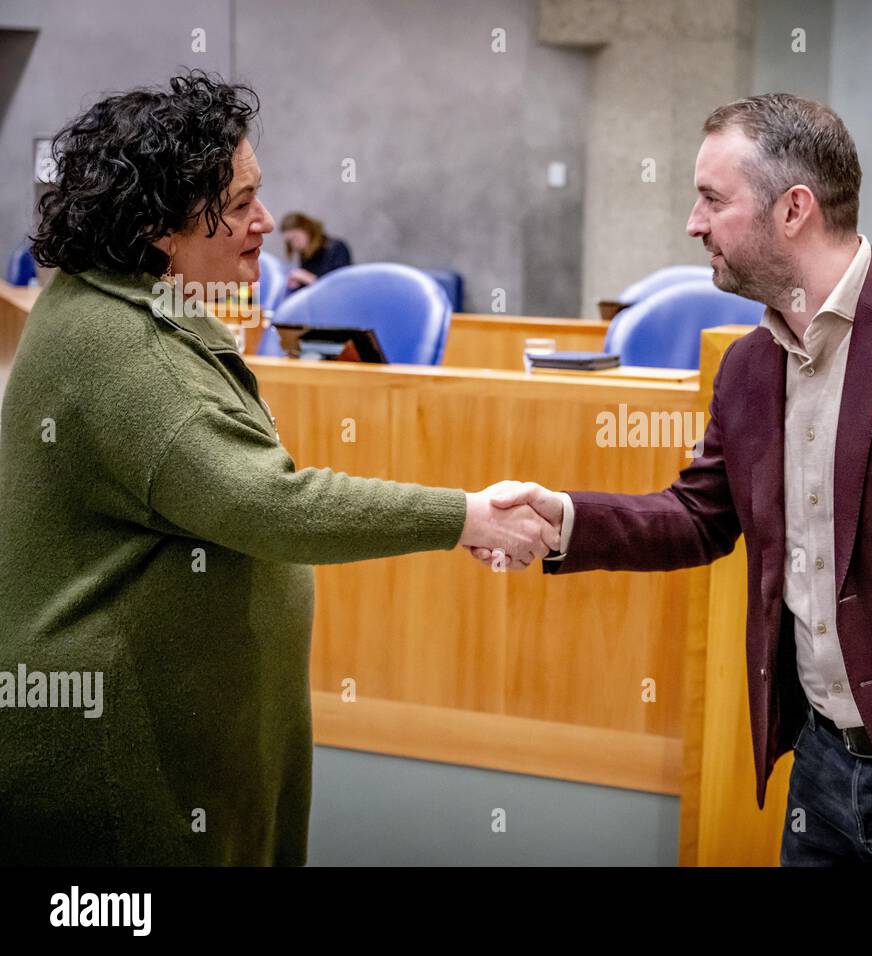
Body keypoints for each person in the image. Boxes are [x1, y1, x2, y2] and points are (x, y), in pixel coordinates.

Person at [469, 94, 872, 867]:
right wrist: (563, 520)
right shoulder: (750, 365)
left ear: (793, 210)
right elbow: (698, 516)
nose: (693, 222)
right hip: (822, 766)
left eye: (712, 199)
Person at [0, 71, 557, 865]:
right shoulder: (123, 351)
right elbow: (269, 504)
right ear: (159, 224)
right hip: (118, 767)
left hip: (167, 743)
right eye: (236, 206)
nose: (265, 221)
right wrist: (465, 514)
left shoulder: (118, 300)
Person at [280, 210, 351, 292]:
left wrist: (308, 278)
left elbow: (341, 285)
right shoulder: (305, 254)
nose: (294, 245)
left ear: (307, 230)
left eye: (296, 238)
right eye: (289, 242)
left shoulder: (336, 248)